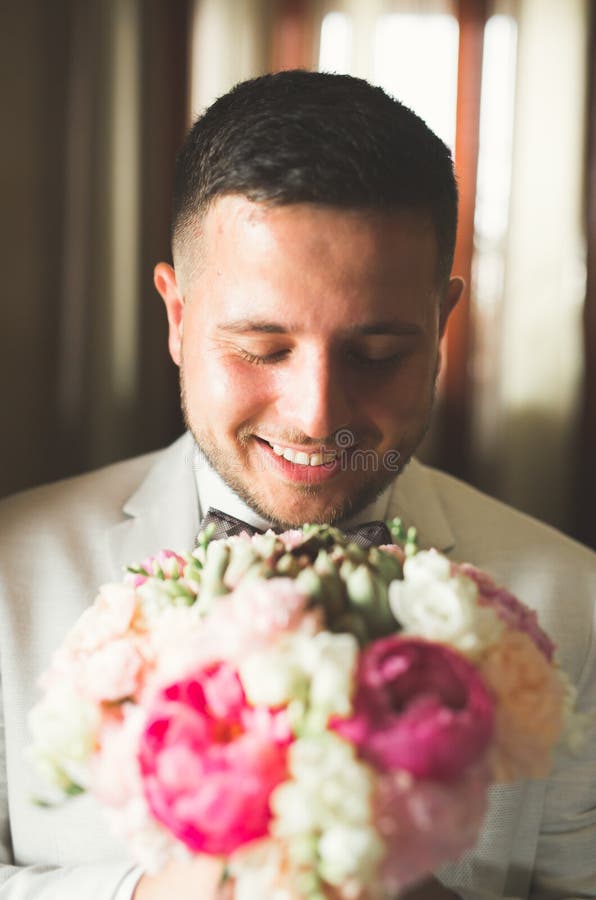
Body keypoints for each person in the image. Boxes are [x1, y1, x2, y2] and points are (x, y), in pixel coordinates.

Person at [0, 70, 594, 900]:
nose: (317, 416)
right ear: (176, 317)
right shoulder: (10, 577)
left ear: (442, 326)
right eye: (260, 348)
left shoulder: (575, 603)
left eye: (377, 354)